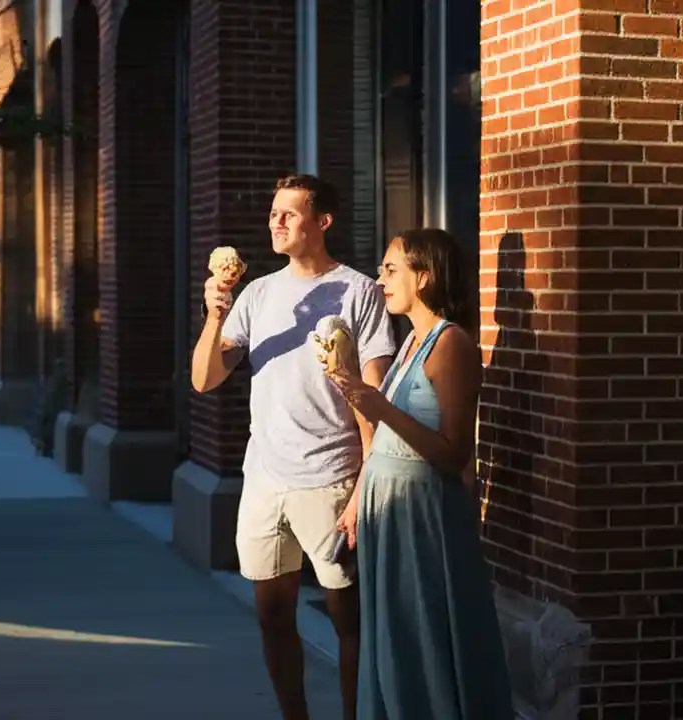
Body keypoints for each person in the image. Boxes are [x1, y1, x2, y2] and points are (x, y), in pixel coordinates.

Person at [190, 174, 395, 720]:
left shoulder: (359, 291)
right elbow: (205, 379)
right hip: (264, 480)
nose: (275, 221)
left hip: (332, 478)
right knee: (272, 617)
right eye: (273, 212)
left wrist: (361, 488)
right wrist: (214, 315)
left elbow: (371, 396)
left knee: (347, 620)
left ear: (322, 222)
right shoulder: (256, 294)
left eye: (289, 213)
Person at [327, 228, 515, 719]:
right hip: (386, 516)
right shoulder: (410, 340)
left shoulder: (450, 344)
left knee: (423, 629)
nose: (379, 279)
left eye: (391, 270)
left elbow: (454, 454)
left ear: (424, 277)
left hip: (425, 517)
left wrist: (378, 406)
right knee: (392, 633)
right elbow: (387, 438)